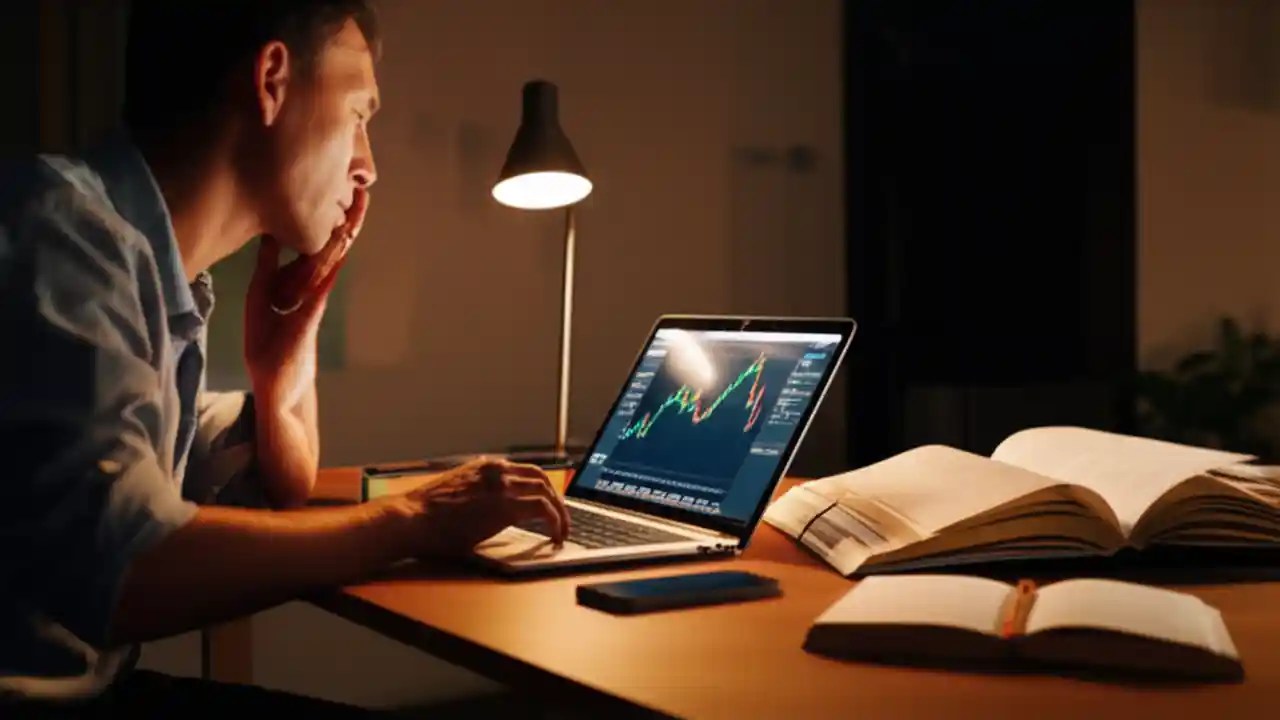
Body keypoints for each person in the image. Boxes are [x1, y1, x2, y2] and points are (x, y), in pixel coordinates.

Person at [0, 0, 570, 715]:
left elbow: (279, 481)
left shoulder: (151, 276)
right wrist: (413, 519)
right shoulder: (64, 235)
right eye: (359, 114)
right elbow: (128, 569)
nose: (368, 168)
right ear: (271, 81)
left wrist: (282, 366)